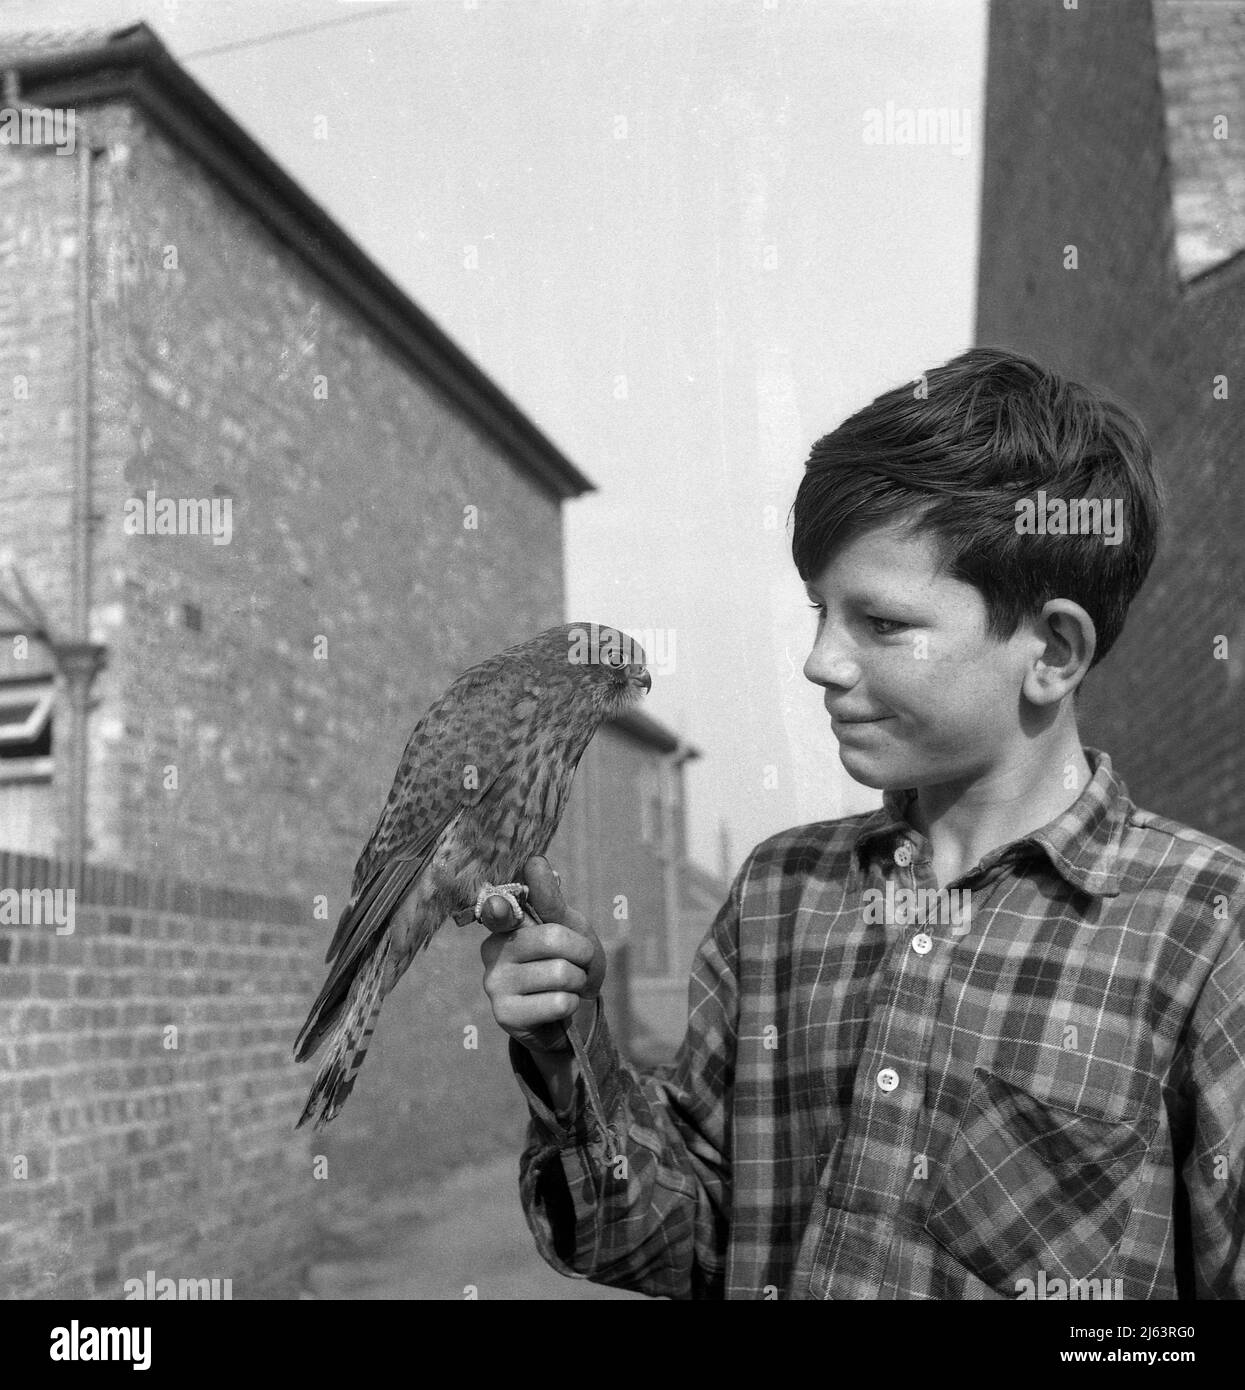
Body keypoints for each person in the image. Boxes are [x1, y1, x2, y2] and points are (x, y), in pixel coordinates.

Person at [481, 347, 1245, 1300]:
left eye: (880, 624)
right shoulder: (779, 896)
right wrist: (570, 1051)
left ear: (1050, 651)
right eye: (818, 613)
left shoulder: (1208, 931)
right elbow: (678, 1242)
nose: (819, 662)